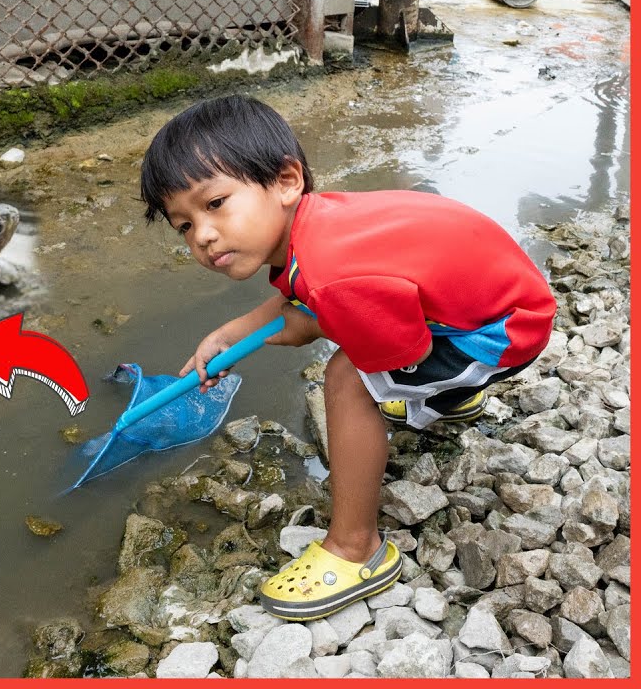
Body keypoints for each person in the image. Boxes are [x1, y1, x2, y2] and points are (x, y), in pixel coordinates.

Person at [138, 95, 555, 621]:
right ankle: (448, 396)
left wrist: (306, 327)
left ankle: (357, 548)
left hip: (504, 329)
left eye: (215, 203)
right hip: (484, 297)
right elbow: (303, 295)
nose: (202, 234)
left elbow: (388, 346)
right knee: (359, 349)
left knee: (348, 379)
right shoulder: (316, 226)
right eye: (183, 225)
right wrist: (230, 334)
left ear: (287, 181)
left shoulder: (333, 273)